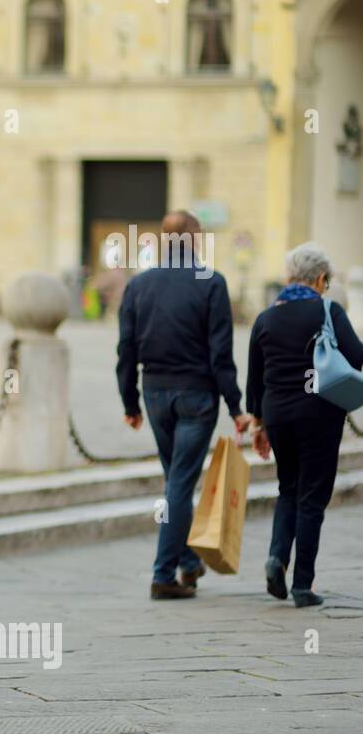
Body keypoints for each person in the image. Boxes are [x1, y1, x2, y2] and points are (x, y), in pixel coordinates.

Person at [117, 210, 253, 599]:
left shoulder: (139, 284)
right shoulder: (210, 282)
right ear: (194, 238)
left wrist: (130, 401)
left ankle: (190, 564)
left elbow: (125, 349)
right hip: (196, 395)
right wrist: (236, 407)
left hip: (155, 393)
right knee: (179, 482)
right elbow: (220, 354)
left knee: (177, 478)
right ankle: (163, 575)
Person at [247, 243, 363, 607]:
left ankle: (276, 556)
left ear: (287, 277)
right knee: (312, 497)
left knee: (288, 489)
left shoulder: (265, 318)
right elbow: (357, 357)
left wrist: (258, 426)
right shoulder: (328, 310)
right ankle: (302, 585)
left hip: (277, 414)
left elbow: (255, 379)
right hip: (319, 414)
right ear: (320, 279)